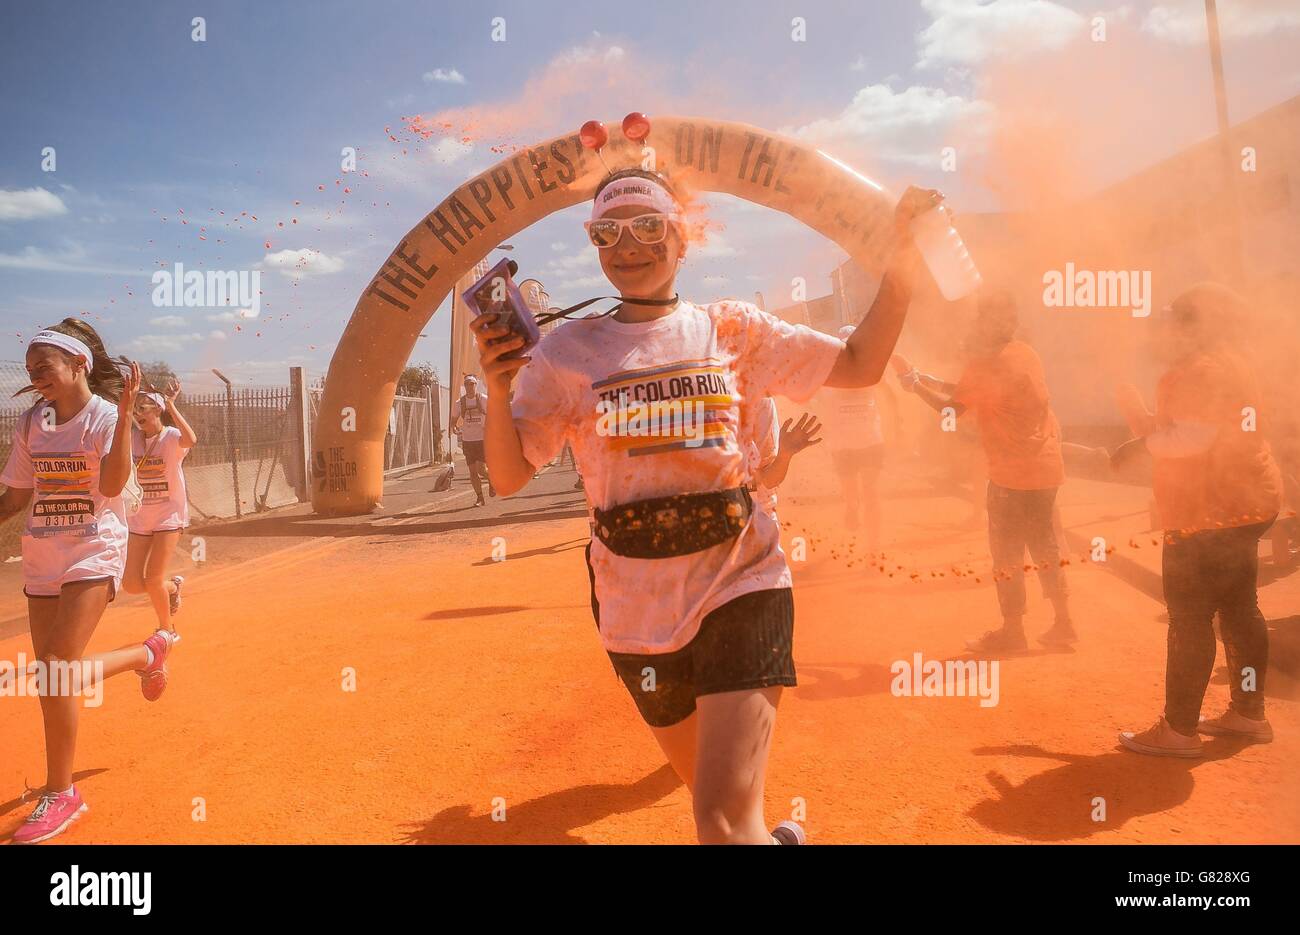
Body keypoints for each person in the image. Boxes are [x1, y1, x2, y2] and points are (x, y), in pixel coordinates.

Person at [471, 165, 938, 843]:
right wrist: (496, 384)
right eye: (607, 232)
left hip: (741, 581)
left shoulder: (734, 330)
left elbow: (861, 363)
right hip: (634, 610)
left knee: (718, 820)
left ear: (683, 236)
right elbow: (511, 475)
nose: (627, 244)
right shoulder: (567, 353)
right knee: (716, 801)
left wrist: (901, 267)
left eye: (648, 225)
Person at [0, 320, 178, 844]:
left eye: (44, 367)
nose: (35, 377)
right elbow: (14, 497)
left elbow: (112, 484)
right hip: (41, 555)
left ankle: (61, 792)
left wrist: (124, 422)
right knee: (55, 680)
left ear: (79, 365)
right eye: (30, 370)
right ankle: (147, 656)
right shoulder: (33, 421)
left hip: (93, 548)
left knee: (55, 669)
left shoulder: (104, 418)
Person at [1107, 283, 1284, 756]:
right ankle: (1248, 714)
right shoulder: (1226, 362)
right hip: (1244, 506)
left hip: (1208, 513)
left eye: (1172, 321)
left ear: (1192, 326)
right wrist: (1135, 414)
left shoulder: (1203, 370)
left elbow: (1190, 440)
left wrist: (1136, 446)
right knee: (1240, 607)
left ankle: (1179, 730)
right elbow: (1177, 431)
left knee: (1189, 616)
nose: (1164, 329)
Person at [895, 289, 1075, 652]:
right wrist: (927, 378)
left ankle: (1013, 631)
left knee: (1007, 553)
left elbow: (952, 411)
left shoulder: (983, 366)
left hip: (1011, 476)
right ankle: (1064, 623)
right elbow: (977, 392)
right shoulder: (1026, 354)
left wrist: (914, 388)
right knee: (1046, 547)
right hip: (1047, 468)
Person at [122, 380, 197, 635]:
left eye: (143, 408)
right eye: (135, 410)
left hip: (168, 515)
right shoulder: (131, 438)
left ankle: (167, 629)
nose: (138, 414)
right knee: (131, 584)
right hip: (140, 517)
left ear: (157, 410)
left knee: (153, 578)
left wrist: (172, 405)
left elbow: (191, 439)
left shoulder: (171, 437)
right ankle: (173, 588)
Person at [816, 325, 887, 545]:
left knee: (871, 494)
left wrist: (896, 426)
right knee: (852, 494)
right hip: (843, 445)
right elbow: (818, 406)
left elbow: (888, 398)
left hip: (870, 441)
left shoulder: (872, 372)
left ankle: (873, 548)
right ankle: (851, 507)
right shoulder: (827, 375)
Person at [745, 395, 822, 524]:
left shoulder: (758, 399)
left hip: (757, 519)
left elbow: (768, 480)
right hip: (709, 516)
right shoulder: (700, 400)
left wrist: (784, 456)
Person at [451, 374, 495, 506]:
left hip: (481, 439)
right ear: (464, 386)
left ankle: (492, 481)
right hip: (468, 440)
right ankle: (480, 498)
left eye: (472, 384)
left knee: (481, 469)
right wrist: (453, 427)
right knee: (472, 471)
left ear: (476, 385)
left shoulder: (484, 399)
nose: (470, 386)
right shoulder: (460, 403)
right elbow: (453, 419)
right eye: (467, 384)